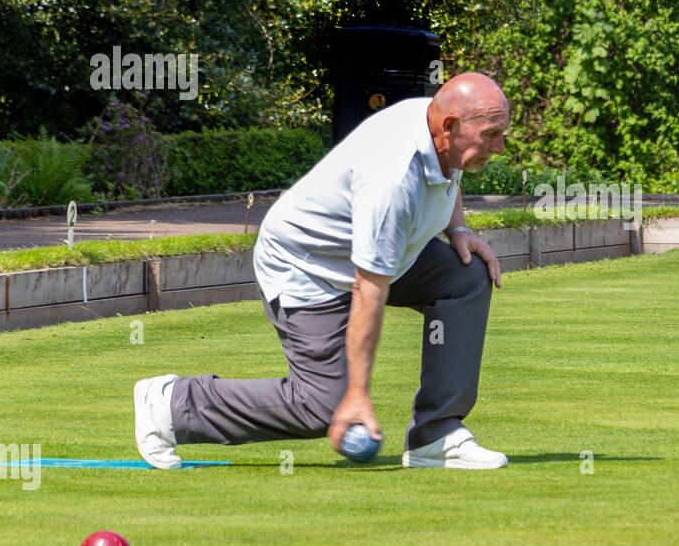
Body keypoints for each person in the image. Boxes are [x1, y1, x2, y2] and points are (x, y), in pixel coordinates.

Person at [133, 72, 511, 470]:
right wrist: (358, 395)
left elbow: (450, 172)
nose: (500, 146)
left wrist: (459, 229)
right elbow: (369, 288)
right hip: (306, 267)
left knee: (465, 277)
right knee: (323, 407)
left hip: (370, 255)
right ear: (450, 127)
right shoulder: (391, 177)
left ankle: (436, 435)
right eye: (491, 135)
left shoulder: (436, 126)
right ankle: (171, 403)